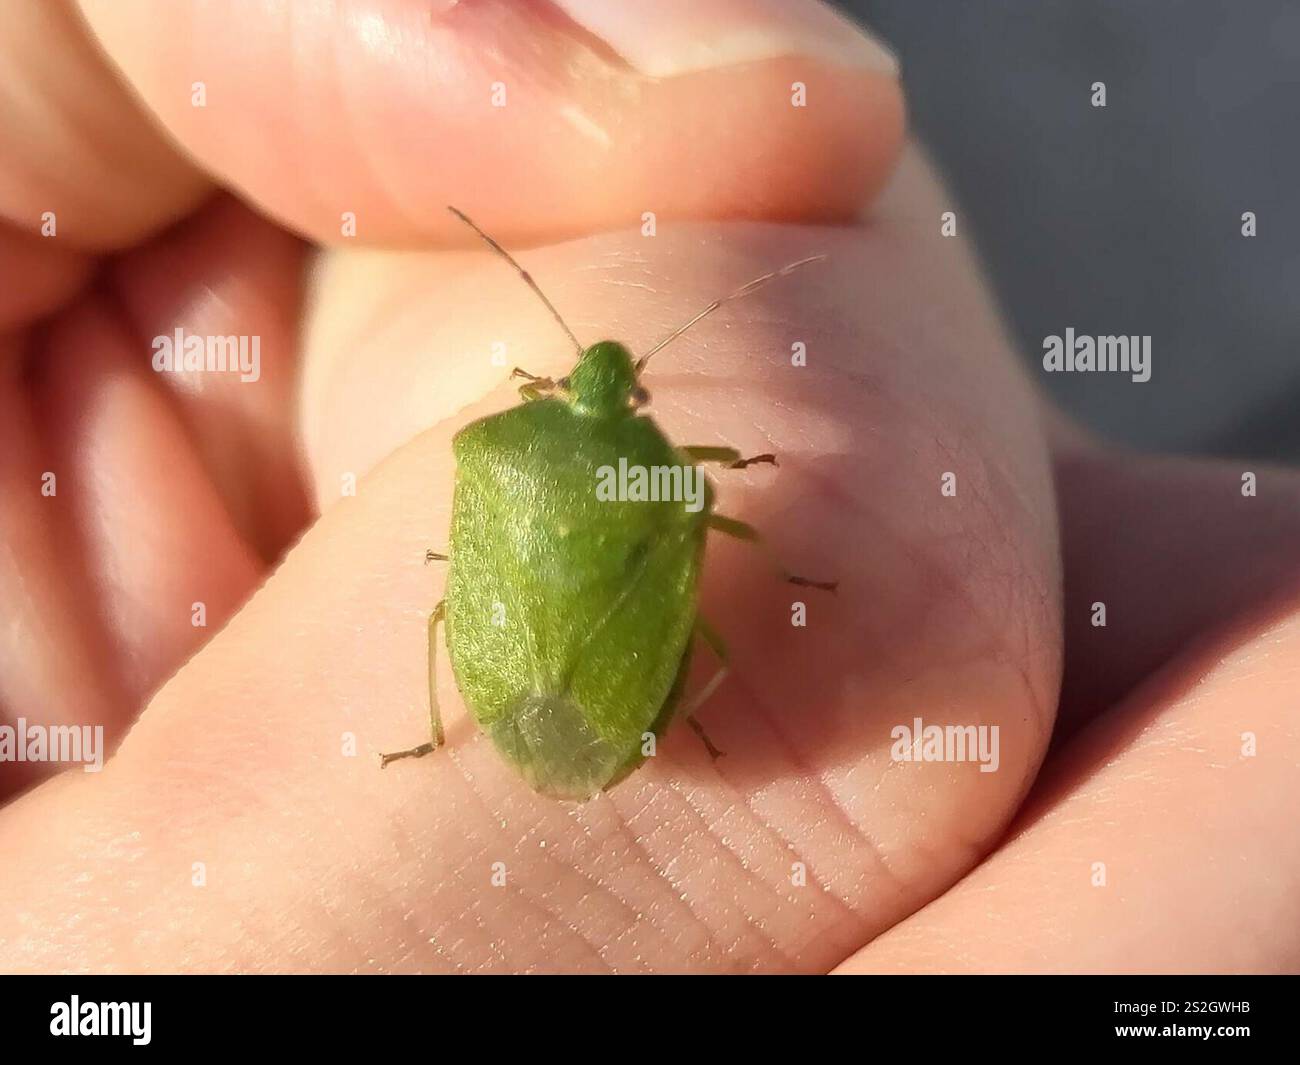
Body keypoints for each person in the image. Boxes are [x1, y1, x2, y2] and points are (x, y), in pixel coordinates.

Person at [0, 0, 1294, 974]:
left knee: (470, 612)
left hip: (510, 671)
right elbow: (723, 510)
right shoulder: (668, 481)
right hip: (617, 687)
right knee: (738, 603)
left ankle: (439, 726)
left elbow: (480, 566)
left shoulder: (496, 449)